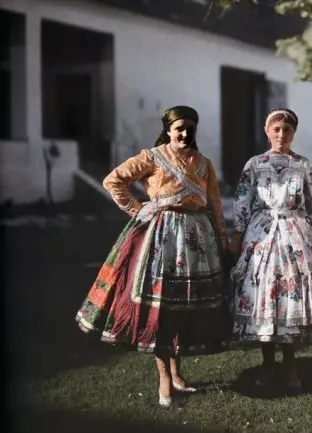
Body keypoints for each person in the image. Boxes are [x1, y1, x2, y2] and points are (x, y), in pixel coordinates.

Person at [75, 106, 231, 407]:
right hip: (162, 238)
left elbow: (215, 205)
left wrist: (222, 238)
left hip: (198, 239)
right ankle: (163, 378)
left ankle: (176, 372)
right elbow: (113, 180)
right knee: (163, 307)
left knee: (185, 306)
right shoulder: (152, 157)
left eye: (190, 129)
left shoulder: (204, 164)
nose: (185, 134)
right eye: (179, 129)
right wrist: (137, 209)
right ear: (168, 130)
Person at [229, 108, 312, 390]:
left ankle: (290, 364)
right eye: (276, 129)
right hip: (261, 233)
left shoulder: (303, 165)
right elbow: (242, 200)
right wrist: (238, 233)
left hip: (294, 232)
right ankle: (267, 362)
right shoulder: (254, 164)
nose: (281, 135)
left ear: (293, 134)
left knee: (291, 296)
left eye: (287, 131)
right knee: (263, 292)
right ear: (267, 131)